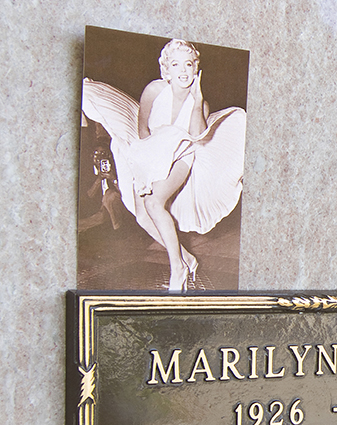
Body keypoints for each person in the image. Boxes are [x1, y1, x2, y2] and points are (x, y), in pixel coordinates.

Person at [81, 38, 246, 291]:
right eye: (176, 64)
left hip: (182, 155)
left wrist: (198, 98)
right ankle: (187, 258)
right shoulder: (154, 90)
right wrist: (147, 167)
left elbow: (198, 135)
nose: (183, 70)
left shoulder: (199, 102)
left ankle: (177, 269)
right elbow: (142, 129)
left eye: (188, 64)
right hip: (150, 152)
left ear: (196, 69)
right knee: (143, 217)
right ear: (166, 69)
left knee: (154, 203)